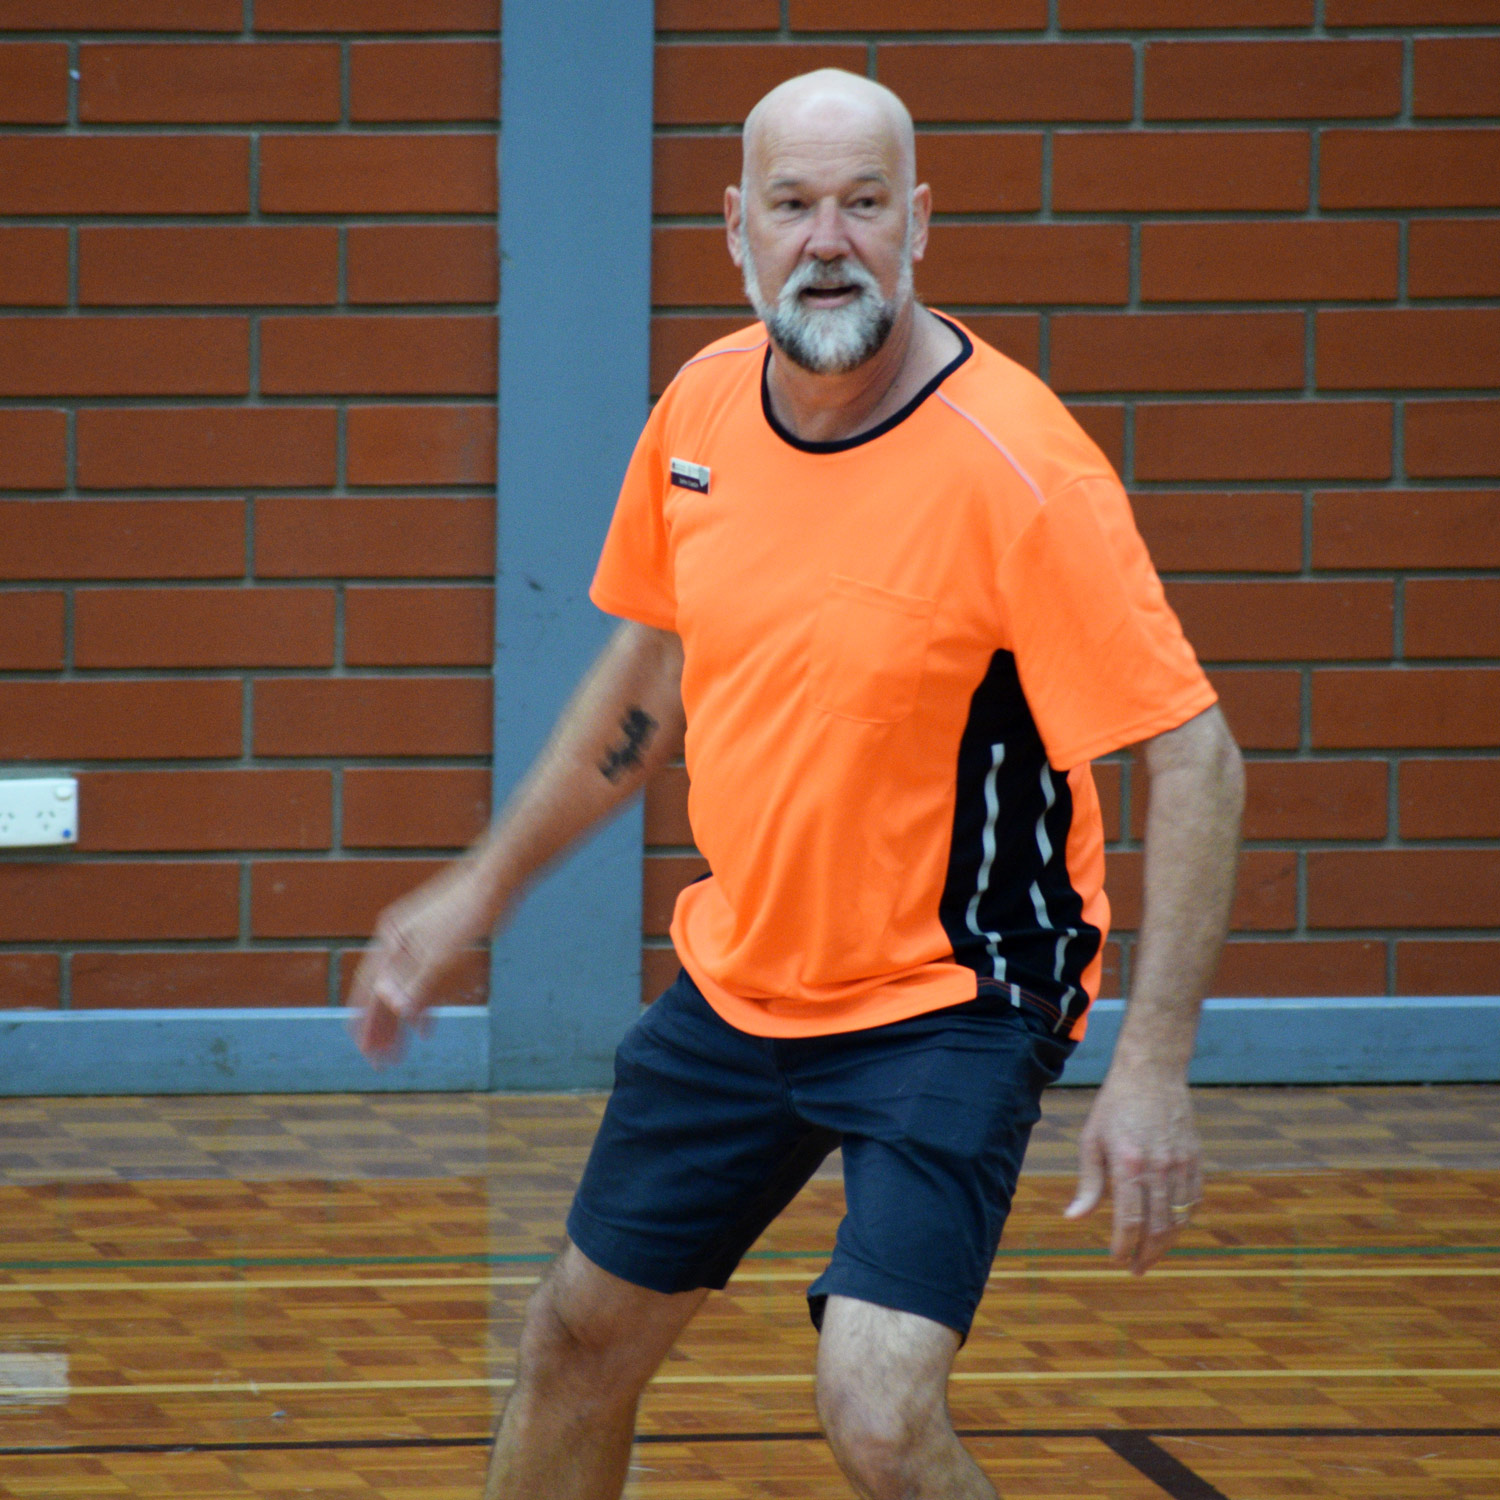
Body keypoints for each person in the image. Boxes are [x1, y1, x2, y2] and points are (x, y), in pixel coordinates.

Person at [350, 68, 1245, 1500]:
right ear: (736, 228)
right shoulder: (703, 409)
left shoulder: (1022, 469)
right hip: (745, 979)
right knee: (576, 1342)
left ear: (919, 224)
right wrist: (478, 891)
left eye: (864, 204)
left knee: (878, 1412)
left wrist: (1151, 1071)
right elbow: (648, 681)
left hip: (954, 998)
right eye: (793, 205)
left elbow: (1195, 753)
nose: (828, 239)